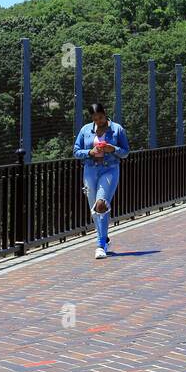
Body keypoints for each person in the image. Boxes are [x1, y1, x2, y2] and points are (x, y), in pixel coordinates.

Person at [73, 102, 130, 259]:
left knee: (101, 204)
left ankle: (100, 245)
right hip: (90, 170)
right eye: (95, 118)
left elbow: (125, 152)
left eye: (101, 117)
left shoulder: (117, 129)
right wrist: (90, 152)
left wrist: (113, 149)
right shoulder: (85, 130)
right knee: (94, 208)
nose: (99, 121)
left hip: (110, 169)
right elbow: (76, 151)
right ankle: (105, 238)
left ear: (105, 114)